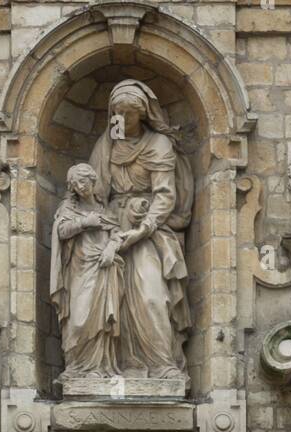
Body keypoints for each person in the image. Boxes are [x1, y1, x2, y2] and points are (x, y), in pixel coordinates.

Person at [87, 79, 193, 383]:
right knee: (106, 297)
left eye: (127, 113)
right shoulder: (105, 144)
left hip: (149, 230)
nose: (119, 118)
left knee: (150, 294)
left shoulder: (158, 145)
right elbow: (94, 193)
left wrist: (142, 228)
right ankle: (113, 365)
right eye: (115, 112)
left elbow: (165, 195)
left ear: (142, 114)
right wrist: (103, 224)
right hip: (109, 229)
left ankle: (161, 364)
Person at [49, 162, 125, 380]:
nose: (80, 187)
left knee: (102, 319)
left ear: (92, 181)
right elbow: (62, 231)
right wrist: (84, 222)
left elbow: (117, 232)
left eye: (83, 181)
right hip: (79, 269)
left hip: (104, 267)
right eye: (75, 184)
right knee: (79, 317)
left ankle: (100, 367)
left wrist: (112, 247)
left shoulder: (105, 210)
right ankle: (77, 368)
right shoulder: (69, 209)